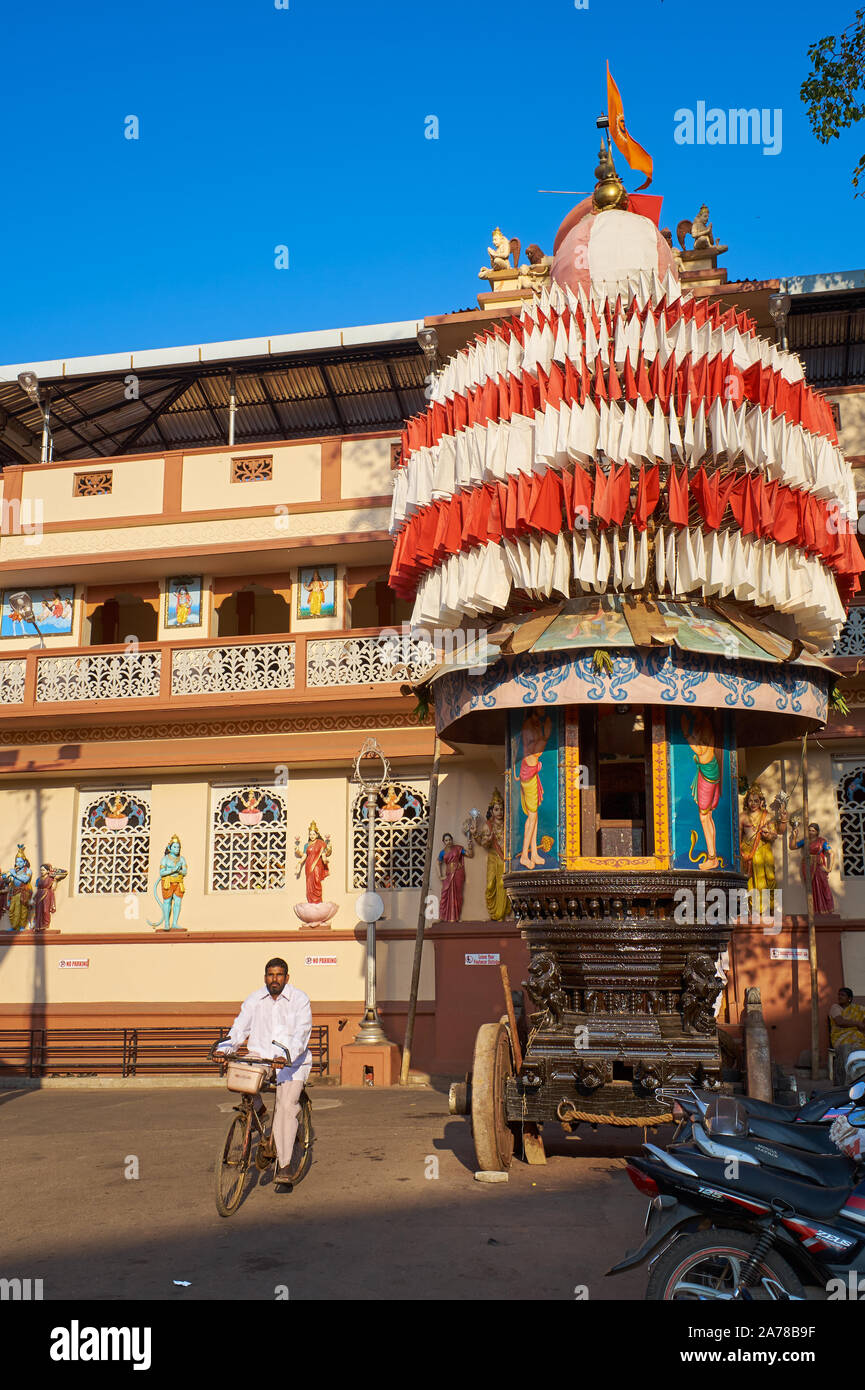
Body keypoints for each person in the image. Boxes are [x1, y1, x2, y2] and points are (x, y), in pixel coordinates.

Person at [215, 959, 312, 1184]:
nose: (274, 979)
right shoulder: (255, 999)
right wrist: (223, 1049)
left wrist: (286, 1055)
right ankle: (258, 1110)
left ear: (287, 978)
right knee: (238, 1073)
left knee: (286, 1109)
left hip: (292, 1063)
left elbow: (302, 1032)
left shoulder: (299, 999)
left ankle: (285, 1165)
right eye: (270, 975)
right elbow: (239, 1028)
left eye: (279, 975)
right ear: (265, 977)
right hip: (261, 1057)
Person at [682, 711, 722, 870]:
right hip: (708, 772)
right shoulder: (702, 723)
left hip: (707, 774)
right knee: (708, 817)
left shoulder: (705, 725)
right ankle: (713, 856)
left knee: (704, 817)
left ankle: (712, 857)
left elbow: (701, 751)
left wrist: (686, 733)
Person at [789, 820, 835, 914]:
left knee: (823, 887)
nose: (810, 832)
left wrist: (829, 868)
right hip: (807, 866)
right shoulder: (805, 841)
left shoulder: (822, 841)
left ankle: (826, 909)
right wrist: (794, 835)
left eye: (813, 830)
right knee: (812, 889)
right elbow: (793, 847)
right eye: (809, 830)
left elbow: (831, 853)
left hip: (818, 866)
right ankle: (816, 910)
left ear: (817, 832)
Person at [829, 987, 865, 1082]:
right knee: (847, 1047)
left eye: (842, 995)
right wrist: (857, 1023)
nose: (839, 997)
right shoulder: (835, 1007)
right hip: (840, 1037)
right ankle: (847, 1080)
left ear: (849, 998)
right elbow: (840, 1022)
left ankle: (860, 1075)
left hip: (857, 1036)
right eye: (839, 994)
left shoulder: (858, 1009)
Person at [438, 833, 472, 921]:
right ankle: (443, 917)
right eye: (446, 840)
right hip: (449, 874)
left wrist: (470, 845)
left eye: (449, 840)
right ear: (443, 842)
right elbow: (438, 863)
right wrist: (440, 876)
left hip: (458, 873)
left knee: (458, 895)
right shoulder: (442, 852)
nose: (448, 842)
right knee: (444, 893)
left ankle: (456, 917)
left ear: (452, 840)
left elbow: (470, 855)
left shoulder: (458, 848)